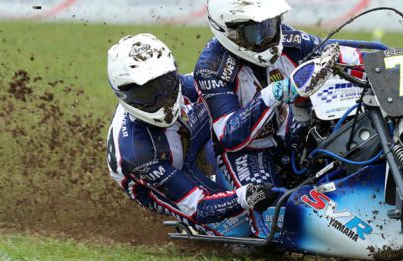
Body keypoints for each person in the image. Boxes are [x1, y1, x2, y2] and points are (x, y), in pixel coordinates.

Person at [194, 0, 362, 235]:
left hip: (294, 138)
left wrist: (389, 63)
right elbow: (229, 136)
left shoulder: (291, 40)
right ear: (230, 31)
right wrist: (277, 93)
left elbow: (338, 54)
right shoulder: (211, 67)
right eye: (254, 31)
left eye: (270, 24)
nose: (267, 37)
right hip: (248, 153)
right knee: (272, 222)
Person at [105, 33, 278, 234]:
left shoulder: (188, 86)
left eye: (166, 83)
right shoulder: (137, 154)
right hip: (162, 175)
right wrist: (246, 196)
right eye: (146, 94)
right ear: (123, 95)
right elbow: (199, 207)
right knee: (239, 227)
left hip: (191, 139)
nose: (162, 98)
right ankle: (196, 227)